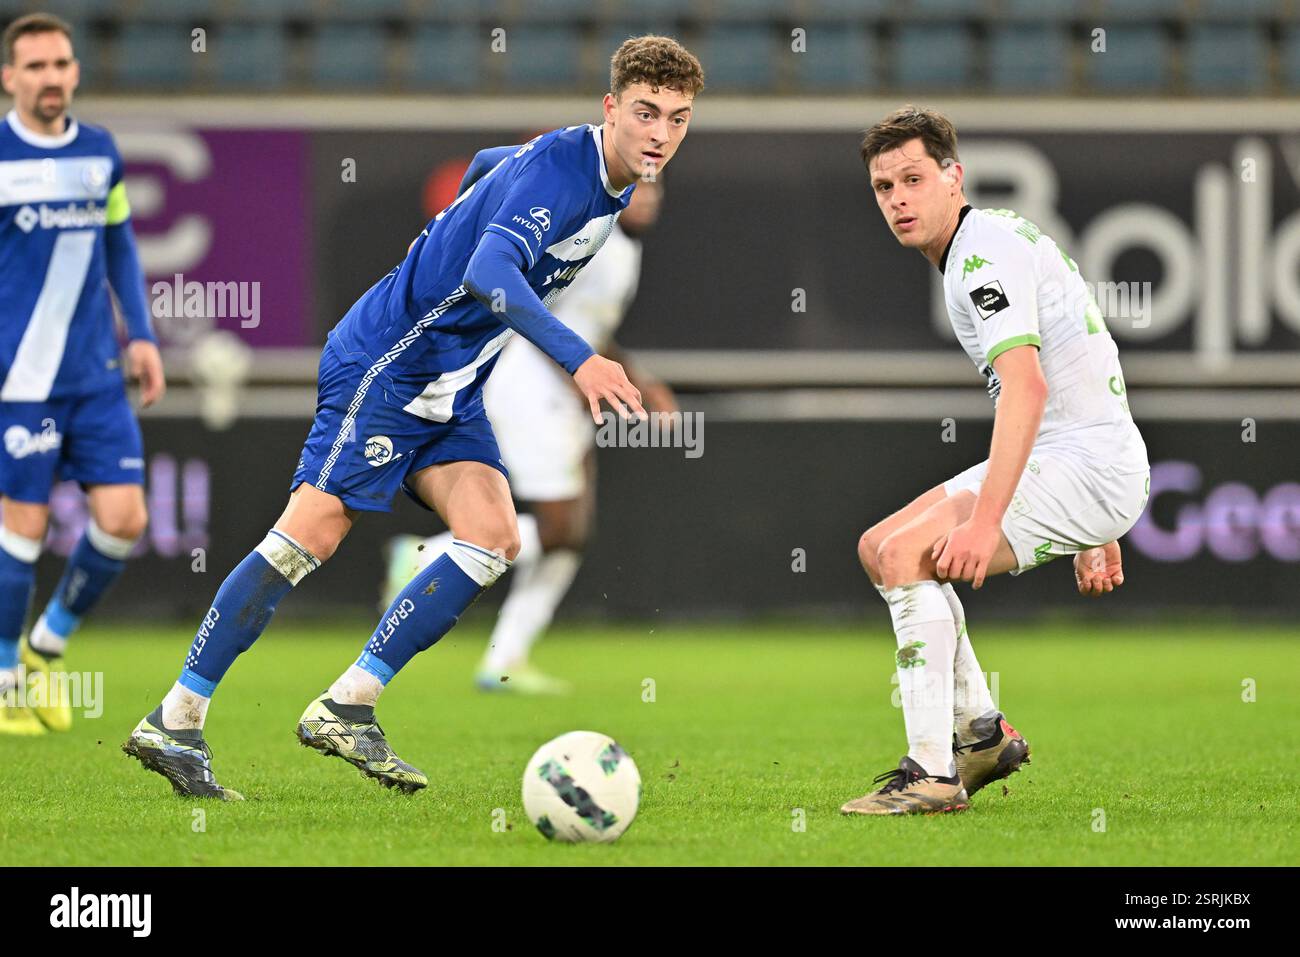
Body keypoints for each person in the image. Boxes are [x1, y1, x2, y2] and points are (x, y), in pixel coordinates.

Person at [122, 35, 704, 800]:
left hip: (451, 382)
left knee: (492, 536)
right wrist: (579, 358)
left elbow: (491, 164)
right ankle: (178, 715)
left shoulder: (604, 171)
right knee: (309, 536)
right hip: (389, 362)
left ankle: (348, 704)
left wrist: (450, 220)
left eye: (678, 117)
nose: (661, 132)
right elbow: (488, 269)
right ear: (610, 107)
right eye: (645, 112)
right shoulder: (566, 176)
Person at [842, 106, 1149, 815]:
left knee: (906, 554)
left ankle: (933, 772)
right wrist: (1093, 524)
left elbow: (1028, 386)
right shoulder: (978, 247)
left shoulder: (980, 252)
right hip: (1084, 457)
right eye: (884, 187)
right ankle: (981, 733)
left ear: (955, 177)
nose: (898, 199)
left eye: (914, 179)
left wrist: (987, 522)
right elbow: (1083, 359)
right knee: (878, 548)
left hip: (1088, 464)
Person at [382, 176, 674, 694]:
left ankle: (505, 659)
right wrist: (587, 379)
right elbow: (535, 312)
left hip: (565, 393)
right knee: (561, 530)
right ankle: (427, 553)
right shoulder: (591, 240)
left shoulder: (625, 249)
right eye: (640, 190)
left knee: (571, 537)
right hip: (532, 387)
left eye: (656, 191)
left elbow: (590, 329)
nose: (648, 198)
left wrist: (637, 380)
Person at [0, 13, 163, 736]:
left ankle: (46, 645)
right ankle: (5, 684)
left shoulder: (101, 153)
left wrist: (143, 337)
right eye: (34, 66)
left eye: (61, 64)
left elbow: (120, 245)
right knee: (22, 532)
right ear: (9, 77)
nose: (51, 77)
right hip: (20, 381)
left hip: (95, 373)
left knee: (125, 519)